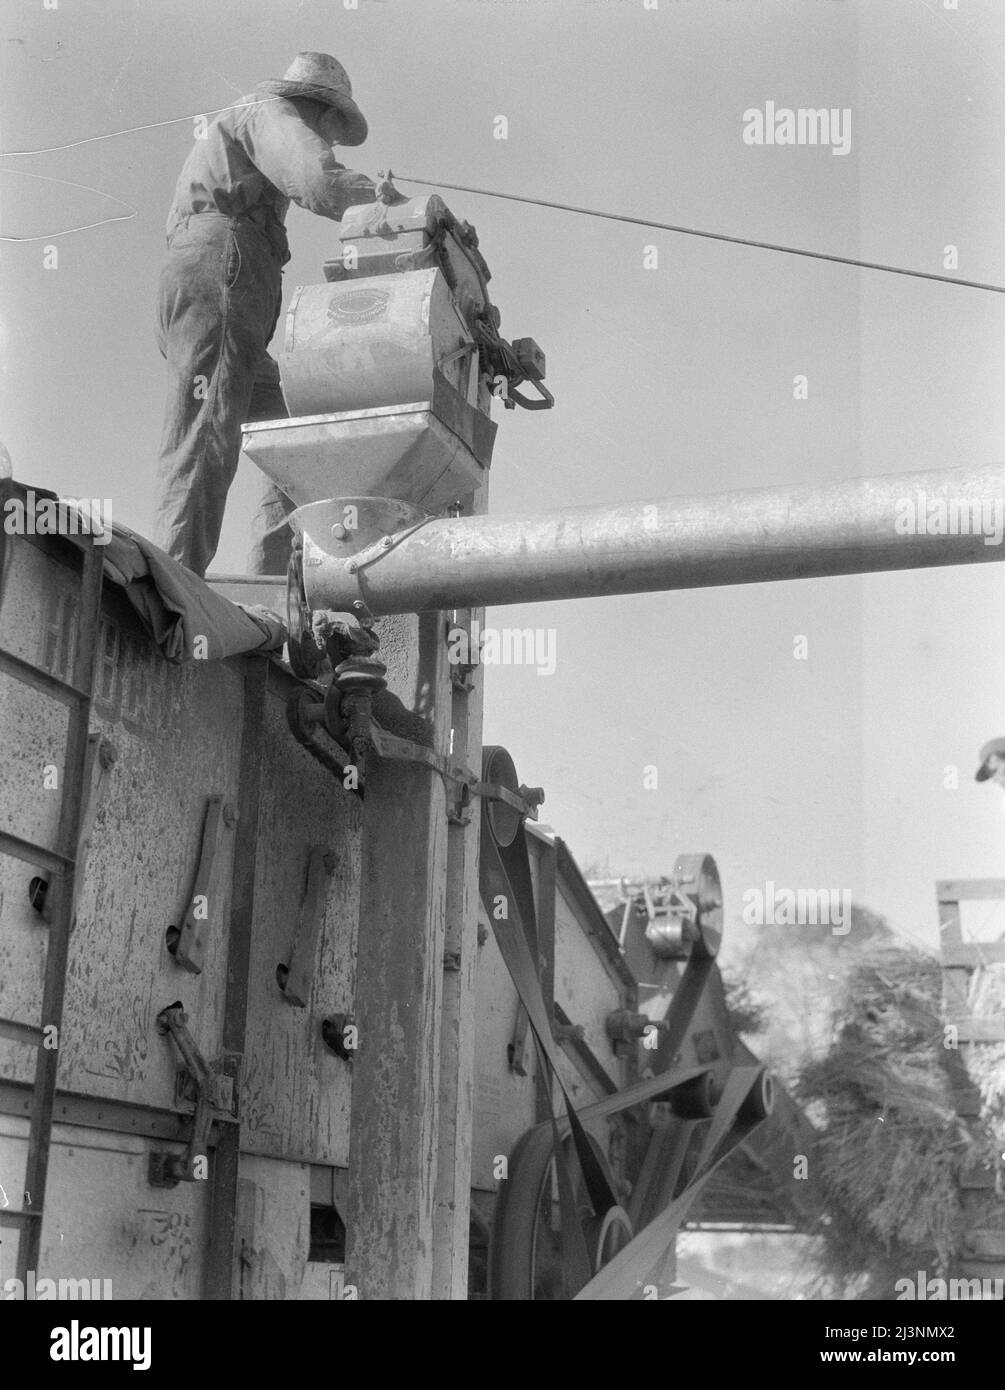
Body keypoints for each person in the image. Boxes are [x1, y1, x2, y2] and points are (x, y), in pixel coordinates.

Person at [152, 52, 405, 578]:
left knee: (292, 437)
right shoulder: (271, 112)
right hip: (223, 265)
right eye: (332, 130)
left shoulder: (253, 123)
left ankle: (271, 585)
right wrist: (379, 204)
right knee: (209, 428)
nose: (331, 142)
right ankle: (174, 588)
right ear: (316, 106)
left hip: (221, 273)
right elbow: (316, 178)